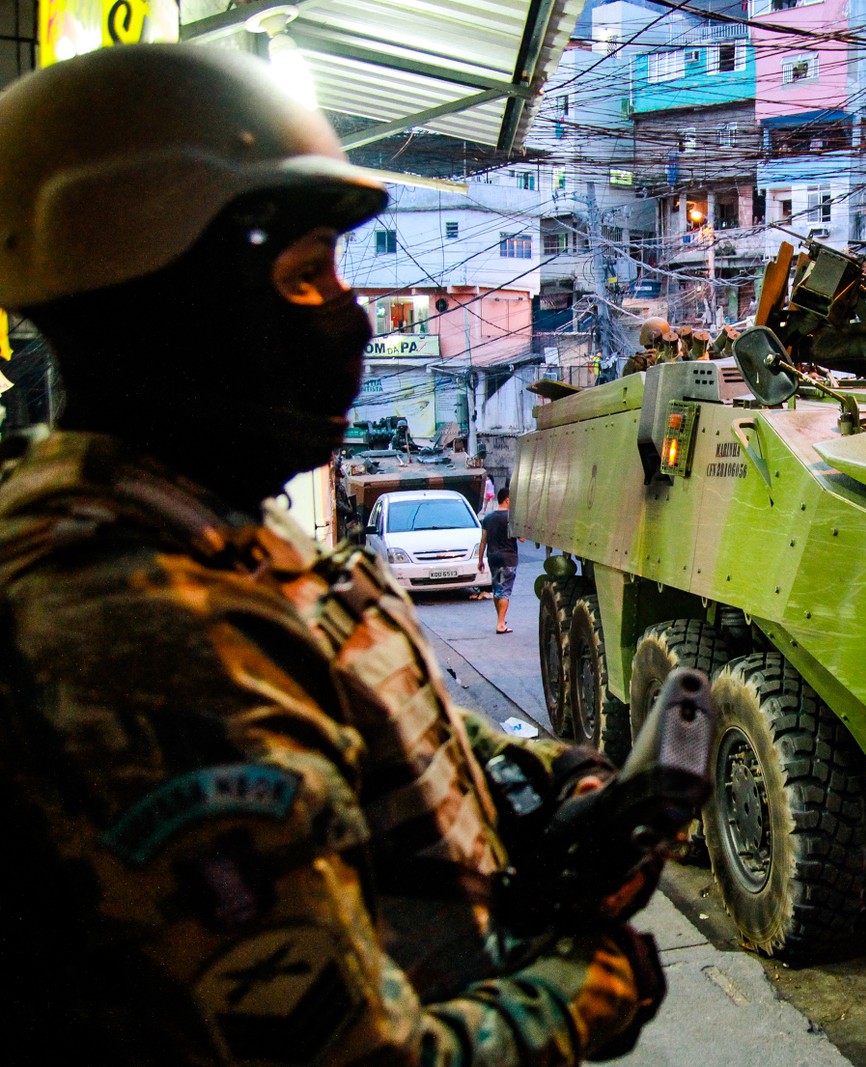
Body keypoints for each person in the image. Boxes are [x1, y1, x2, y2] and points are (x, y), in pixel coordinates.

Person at [0, 45, 661, 1066]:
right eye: (305, 275)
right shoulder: (132, 633)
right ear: (169, 306)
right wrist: (585, 987)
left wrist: (539, 782)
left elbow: (346, 704)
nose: (351, 319)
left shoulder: (210, 525)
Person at [478, 486, 520, 633]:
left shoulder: (488, 518)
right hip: (508, 558)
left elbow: (483, 540)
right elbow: (521, 538)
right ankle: (501, 624)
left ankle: (500, 619)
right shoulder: (512, 518)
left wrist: (480, 560)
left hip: (493, 557)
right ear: (507, 500)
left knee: (497, 589)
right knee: (505, 591)